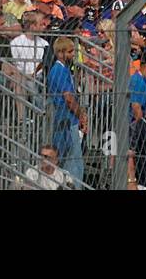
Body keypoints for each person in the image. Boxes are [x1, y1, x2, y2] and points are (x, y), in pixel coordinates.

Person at [47, 37, 85, 184]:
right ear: (60, 53)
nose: (73, 55)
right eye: (70, 52)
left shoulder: (62, 69)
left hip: (66, 120)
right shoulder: (59, 70)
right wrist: (81, 115)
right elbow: (68, 98)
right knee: (74, 163)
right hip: (66, 120)